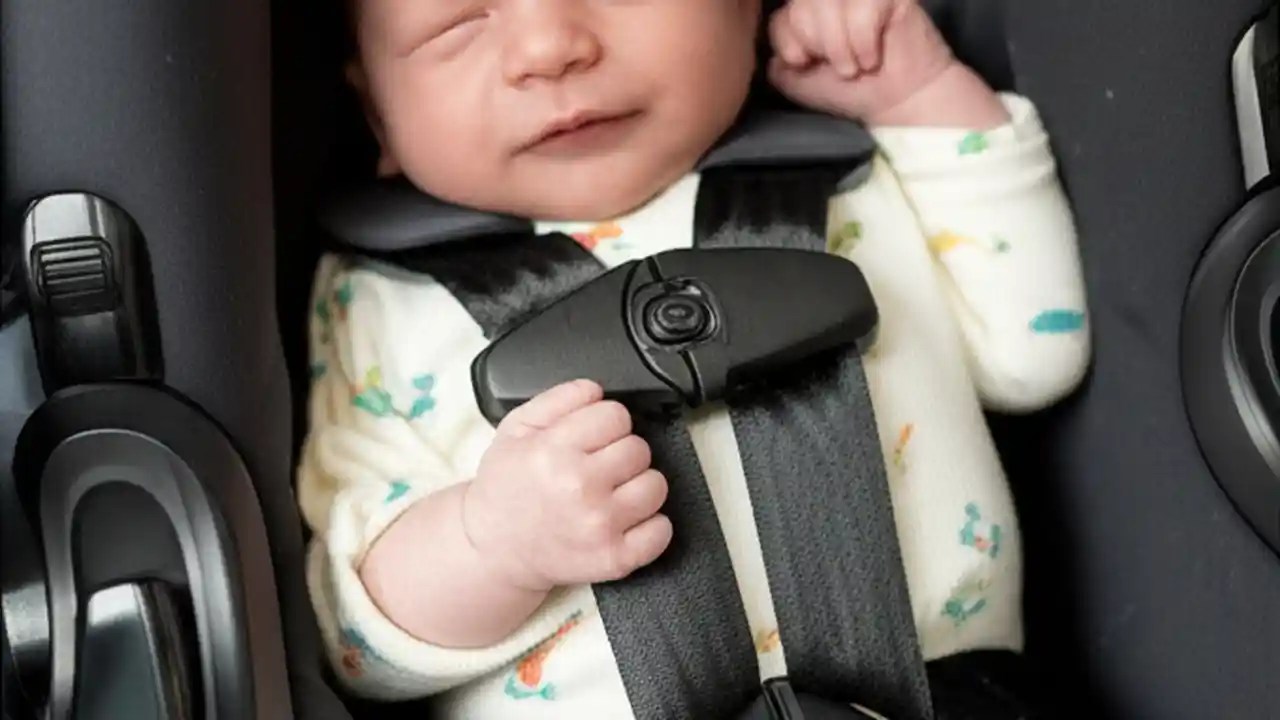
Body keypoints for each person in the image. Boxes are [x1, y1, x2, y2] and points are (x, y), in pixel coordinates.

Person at [298, 0, 1090, 716]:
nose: (548, 47)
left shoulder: (854, 177)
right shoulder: (380, 303)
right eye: (456, 25)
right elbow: (357, 640)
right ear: (376, 113)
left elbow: (1036, 353)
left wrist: (923, 101)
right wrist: (491, 543)